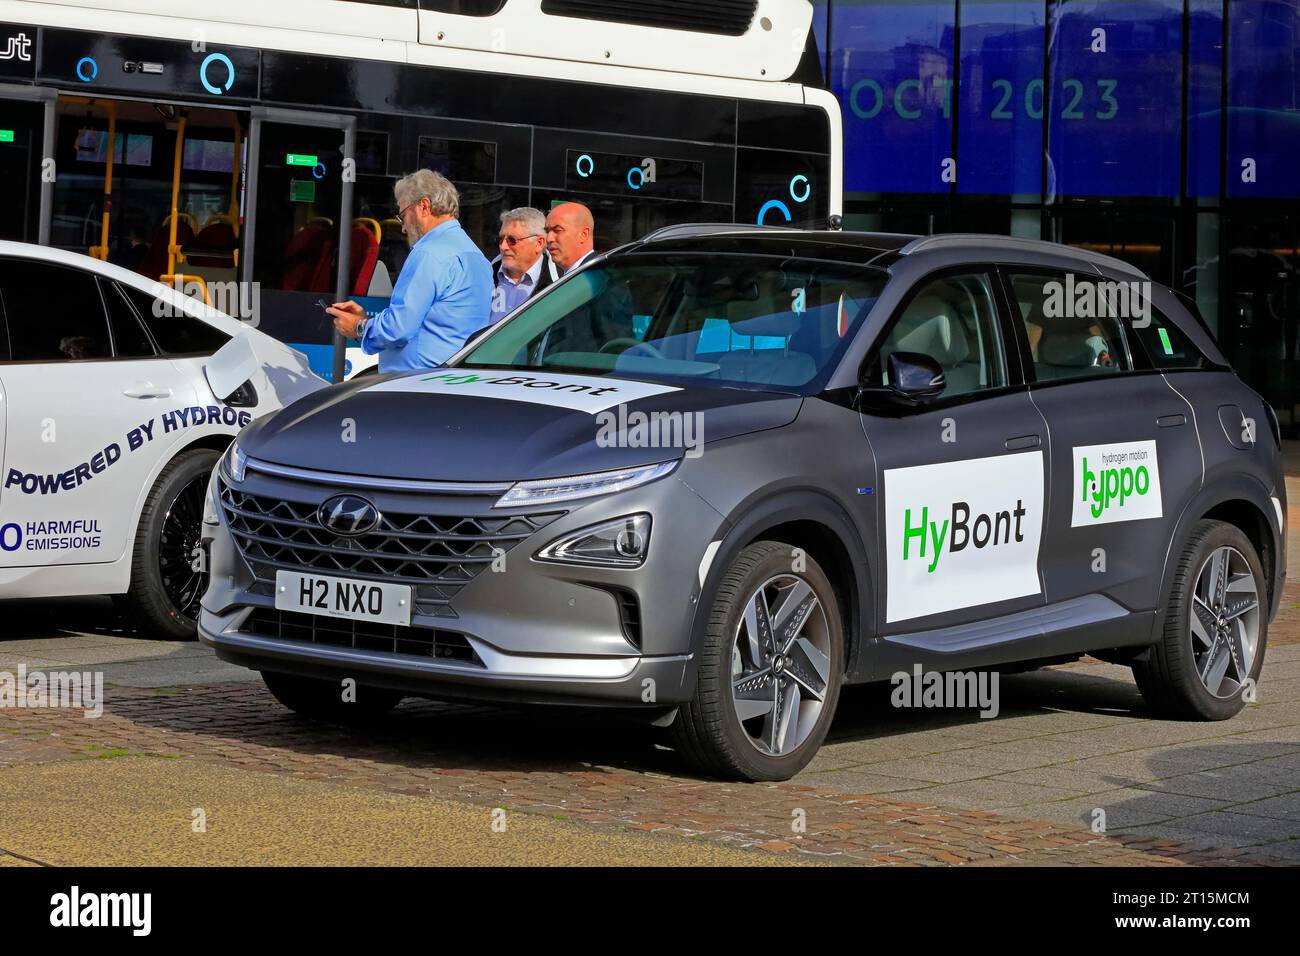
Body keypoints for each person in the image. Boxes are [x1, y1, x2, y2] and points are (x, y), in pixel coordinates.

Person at [328, 170, 492, 372]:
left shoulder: (428, 252)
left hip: (418, 382)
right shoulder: (477, 256)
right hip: (453, 377)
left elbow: (399, 329)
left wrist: (359, 327)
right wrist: (368, 321)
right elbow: (438, 322)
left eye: (403, 215)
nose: (403, 228)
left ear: (424, 206)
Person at [490, 207, 553, 325]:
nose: (503, 247)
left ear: (539, 243)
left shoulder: (557, 282)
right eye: (501, 239)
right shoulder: (486, 276)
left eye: (512, 240)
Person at [545, 202, 597, 275]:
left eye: (557, 230)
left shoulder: (595, 278)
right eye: (547, 231)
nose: (548, 239)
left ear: (583, 234)